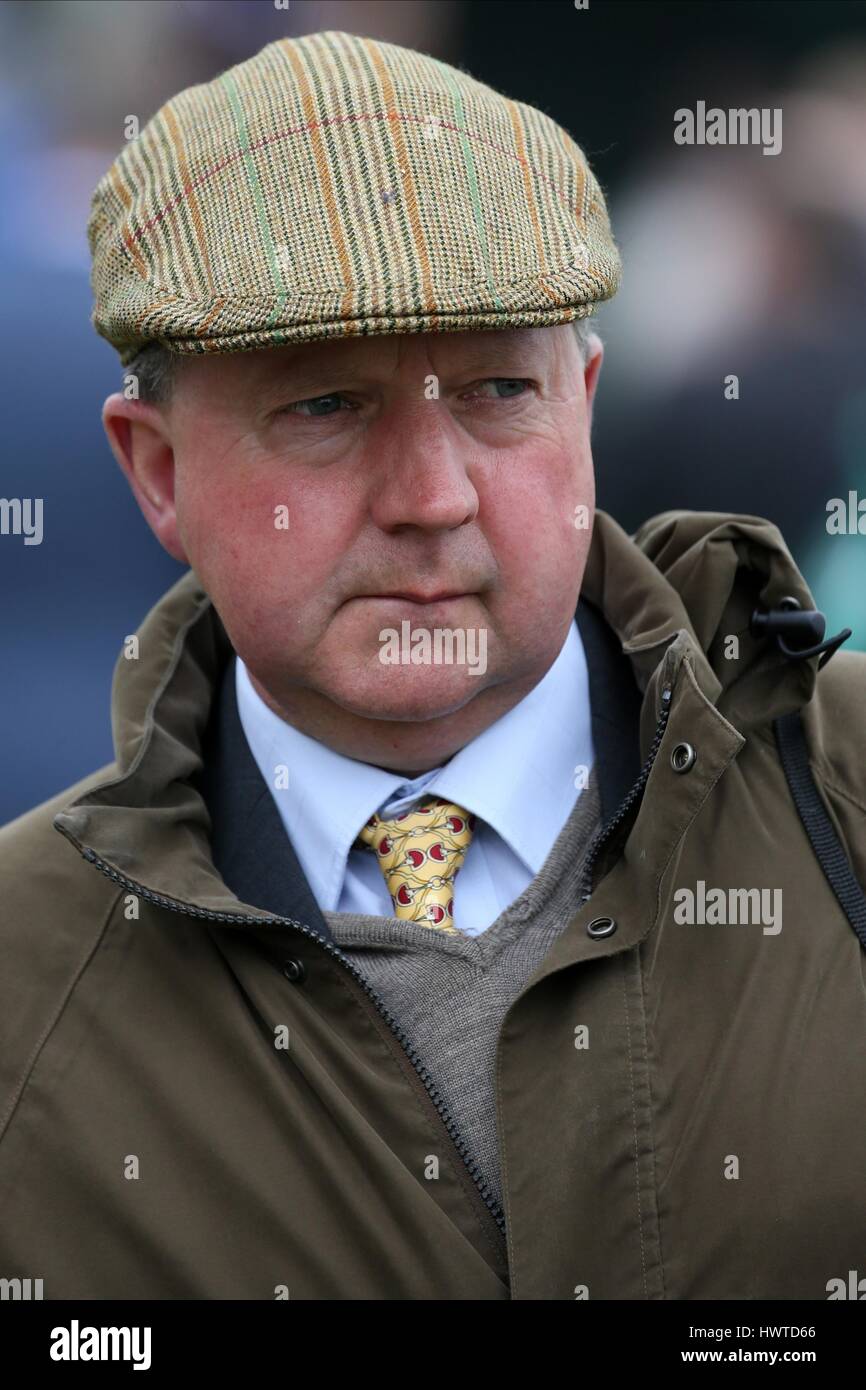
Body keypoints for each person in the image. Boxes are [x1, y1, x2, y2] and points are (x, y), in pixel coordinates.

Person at [1, 30, 865, 1302]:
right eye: (324, 407)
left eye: (495, 390)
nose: (432, 495)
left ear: (585, 399)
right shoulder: (25, 987)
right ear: (159, 472)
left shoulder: (841, 791)